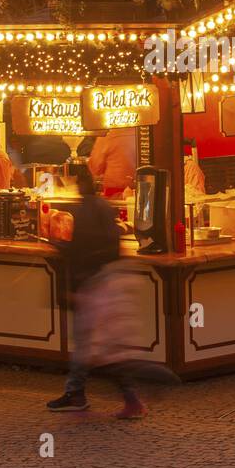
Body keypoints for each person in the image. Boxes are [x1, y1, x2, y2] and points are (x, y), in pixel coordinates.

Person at [46, 166, 145, 419]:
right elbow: (112, 240)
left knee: (92, 345)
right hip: (110, 279)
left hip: (92, 283)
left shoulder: (82, 211)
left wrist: (60, 249)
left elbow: (80, 249)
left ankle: (85, 394)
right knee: (100, 345)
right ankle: (91, 393)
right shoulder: (102, 207)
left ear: (78, 186)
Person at [88, 126, 138, 196]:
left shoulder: (106, 136)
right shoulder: (143, 133)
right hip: (140, 191)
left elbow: (95, 168)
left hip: (114, 193)